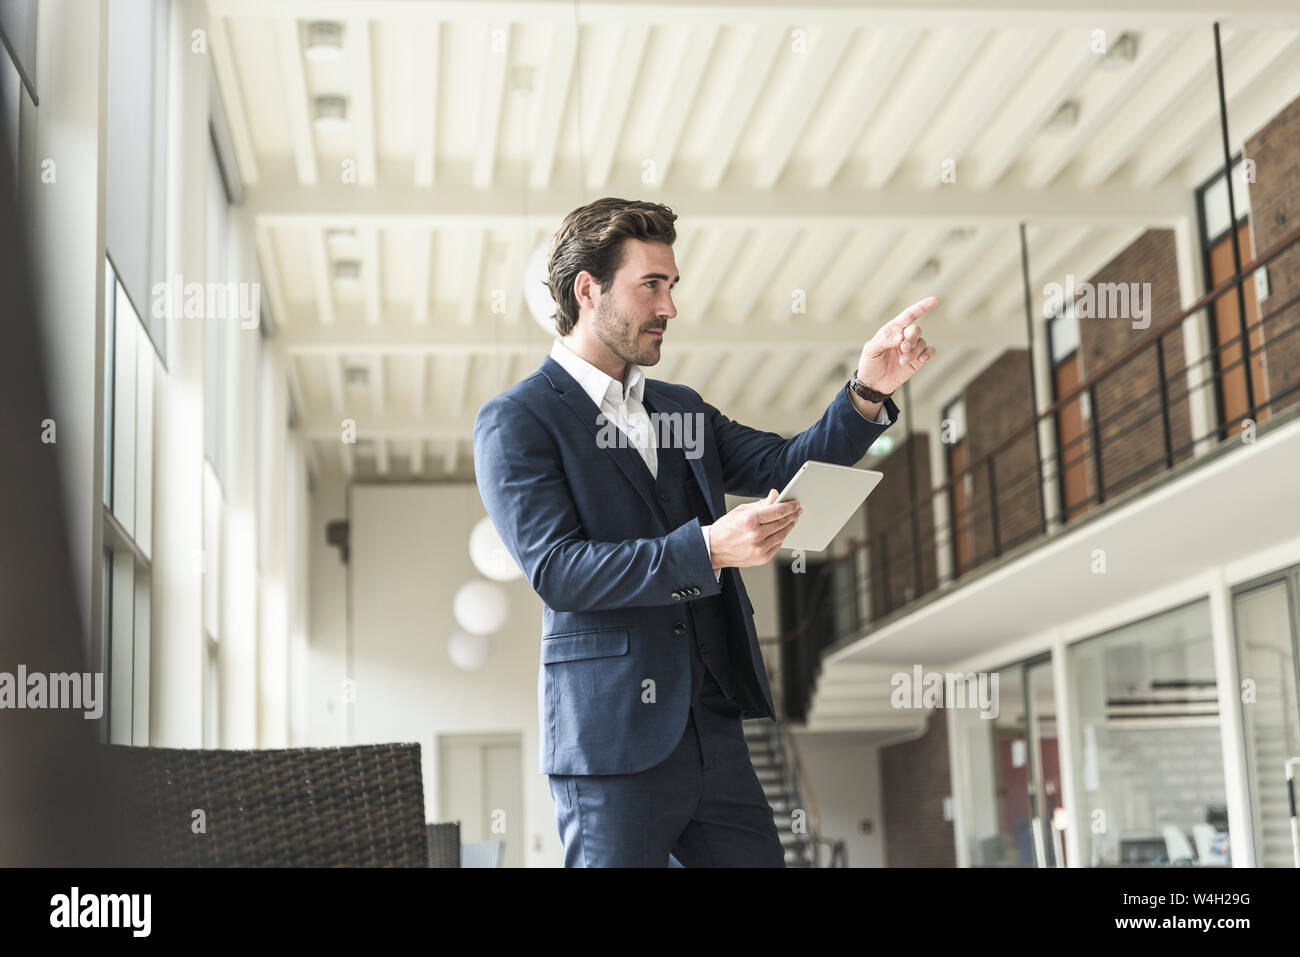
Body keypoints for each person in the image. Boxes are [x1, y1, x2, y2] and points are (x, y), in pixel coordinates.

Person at [473, 197, 937, 867]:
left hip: (714, 731)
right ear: (587, 290)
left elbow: (782, 464)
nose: (670, 307)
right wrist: (710, 547)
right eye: (651, 285)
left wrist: (867, 389)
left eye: (672, 285)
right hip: (612, 747)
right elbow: (560, 571)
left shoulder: (679, 408)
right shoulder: (518, 420)